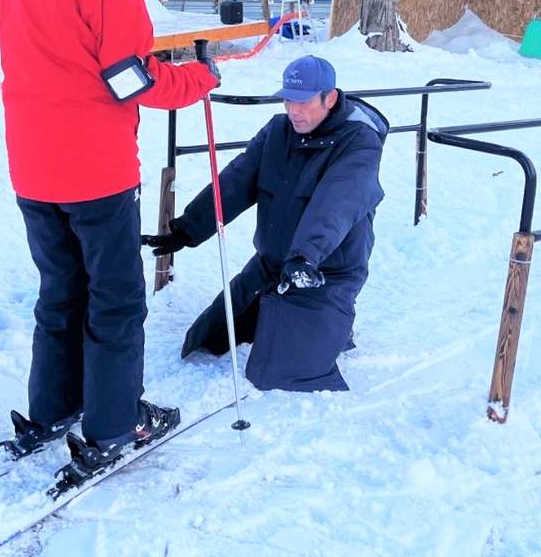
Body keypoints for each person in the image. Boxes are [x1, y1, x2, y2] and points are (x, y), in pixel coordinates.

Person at [0, 0, 219, 479]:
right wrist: (198, 78)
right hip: (94, 172)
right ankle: (115, 423)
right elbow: (130, 79)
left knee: (60, 292)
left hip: (33, 171)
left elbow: (74, 60)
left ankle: (54, 406)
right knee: (116, 301)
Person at [145, 56, 388, 392]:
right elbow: (236, 181)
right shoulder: (278, 130)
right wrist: (188, 228)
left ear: (329, 98)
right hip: (271, 264)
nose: (294, 111)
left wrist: (305, 257)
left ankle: (332, 326)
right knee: (206, 338)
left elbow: (336, 203)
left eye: (303, 101)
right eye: (288, 99)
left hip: (322, 272)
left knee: (280, 372)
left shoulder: (359, 142)